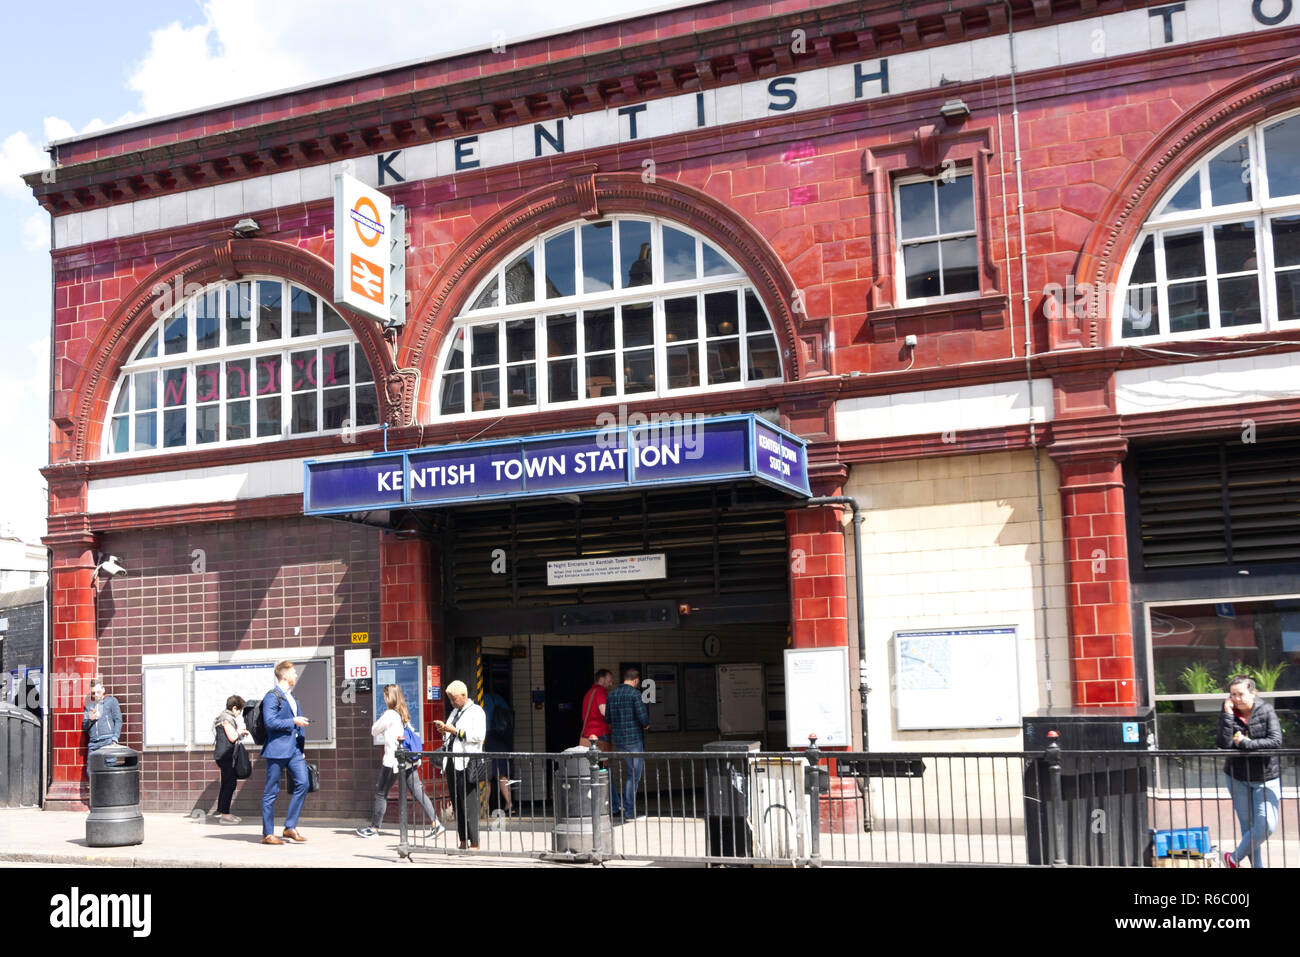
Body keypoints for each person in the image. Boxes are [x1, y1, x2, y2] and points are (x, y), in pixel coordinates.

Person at [356, 684, 445, 839]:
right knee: (418, 792)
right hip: (408, 760)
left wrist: (382, 717)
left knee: (381, 793)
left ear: (388, 697)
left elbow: (373, 730)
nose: (383, 698)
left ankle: (374, 829)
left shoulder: (389, 714)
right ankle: (436, 824)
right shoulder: (403, 713)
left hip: (393, 761)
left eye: (384, 695)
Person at [1216, 675, 1282, 868]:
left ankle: (1233, 858)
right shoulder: (1229, 711)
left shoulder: (1266, 710)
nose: (1237, 698)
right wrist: (1227, 714)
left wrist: (1247, 744)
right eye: (1233, 694)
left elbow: (1276, 741)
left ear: (1253, 693)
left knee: (1266, 826)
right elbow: (1223, 743)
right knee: (1248, 829)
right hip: (1237, 776)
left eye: (1241, 694)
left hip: (1265, 777)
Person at [259, 661, 311, 846]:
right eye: (294, 672)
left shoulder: (291, 697)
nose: (296, 675)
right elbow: (270, 722)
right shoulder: (272, 697)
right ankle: (268, 834)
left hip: (295, 750)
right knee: (271, 792)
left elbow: (297, 722)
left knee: (303, 783)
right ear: (285, 675)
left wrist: (301, 748)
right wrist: (293, 721)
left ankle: (290, 827)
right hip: (277, 750)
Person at [435, 680, 486, 849]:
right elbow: (451, 734)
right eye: (450, 699)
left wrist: (455, 731)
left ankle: (475, 841)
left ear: (464, 696)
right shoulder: (455, 712)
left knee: (469, 803)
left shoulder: (476, 711)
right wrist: (444, 729)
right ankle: (463, 840)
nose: (452, 703)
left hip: (467, 762)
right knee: (457, 803)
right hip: (451, 762)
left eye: (454, 699)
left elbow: (478, 736)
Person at [605, 667, 650, 820]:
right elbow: (642, 716)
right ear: (636, 680)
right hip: (634, 740)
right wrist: (646, 724)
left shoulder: (612, 695)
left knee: (629, 774)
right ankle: (629, 811)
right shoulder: (635, 694)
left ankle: (623, 805)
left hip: (619, 741)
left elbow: (608, 719)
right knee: (633, 776)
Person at [211, 695, 250, 824]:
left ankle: (224, 812)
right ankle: (225, 816)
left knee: (227, 783)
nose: (239, 714)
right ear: (234, 708)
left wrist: (239, 733)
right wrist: (241, 732)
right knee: (230, 784)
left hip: (224, 755)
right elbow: (232, 737)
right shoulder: (226, 718)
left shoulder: (223, 716)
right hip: (226, 756)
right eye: (239, 710)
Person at [483, 688, 515, 814]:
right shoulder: (499, 699)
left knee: (486, 775)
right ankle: (509, 803)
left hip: (488, 737)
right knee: (501, 774)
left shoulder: (481, 700)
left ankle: (484, 806)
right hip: (502, 738)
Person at [82, 677, 121, 754]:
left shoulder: (111, 701)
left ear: (103, 689)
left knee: (109, 765)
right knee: (92, 766)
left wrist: (115, 739)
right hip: (93, 744)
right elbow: (84, 727)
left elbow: (118, 720)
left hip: (108, 742)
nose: (96, 695)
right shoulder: (89, 705)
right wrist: (90, 720)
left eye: (98, 692)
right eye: (93, 693)